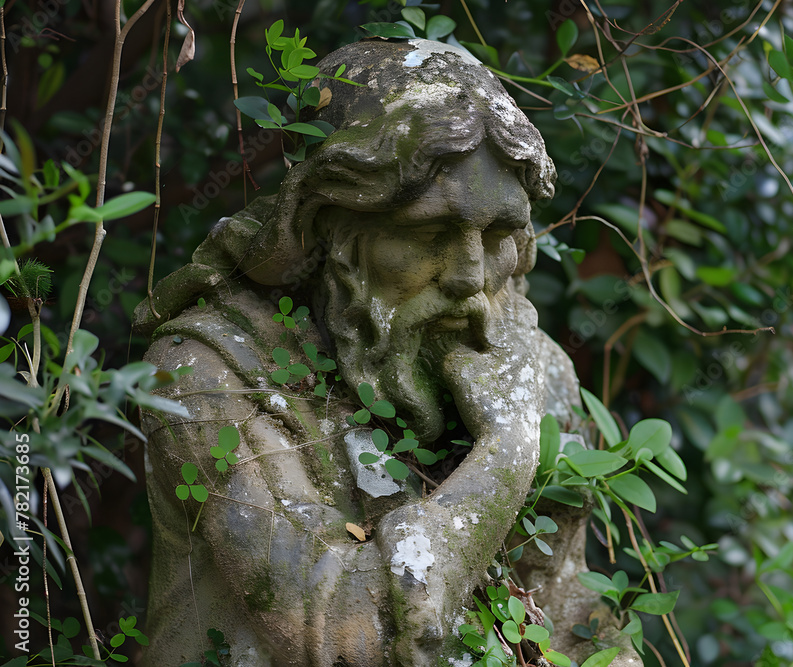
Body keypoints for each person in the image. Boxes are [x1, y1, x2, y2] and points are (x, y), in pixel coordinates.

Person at [136, 38, 635, 666]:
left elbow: (569, 619)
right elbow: (341, 637)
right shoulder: (208, 371)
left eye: (500, 232)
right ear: (334, 236)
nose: (471, 275)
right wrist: (506, 457)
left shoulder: (533, 373)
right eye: (430, 233)